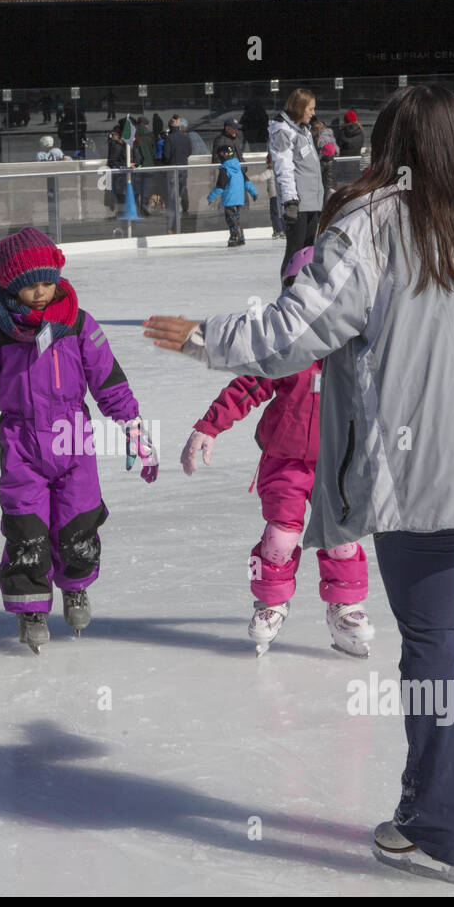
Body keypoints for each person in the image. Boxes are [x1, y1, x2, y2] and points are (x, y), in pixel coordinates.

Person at [144, 83, 454, 884]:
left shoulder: (374, 227)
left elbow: (294, 332)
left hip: (423, 473)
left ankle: (434, 823)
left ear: (390, 147)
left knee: (434, 645)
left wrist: (209, 339)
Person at [0, 227, 158, 654]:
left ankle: (75, 586)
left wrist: (132, 427)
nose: (40, 292)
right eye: (28, 285)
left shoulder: (78, 323)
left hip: (73, 438)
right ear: (9, 285)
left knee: (79, 526)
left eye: (46, 281)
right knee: (26, 530)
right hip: (21, 443)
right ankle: (31, 607)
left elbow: (108, 381)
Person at [182, 246, 374, 657]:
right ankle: (270, 602)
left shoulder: (353, 352)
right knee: (280, 537)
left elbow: (384, 398)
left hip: (338, 464)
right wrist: (208, 426)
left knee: (341, 539)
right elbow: (246, 387)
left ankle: (345, 608)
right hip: (285, 461)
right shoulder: (285, 352)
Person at [269, 89, 325, 277]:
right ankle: (287, 292)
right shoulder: (283, 131)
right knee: (295, 252)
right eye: (310, 108)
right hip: (297, 203)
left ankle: (302, 294)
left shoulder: (304, 130)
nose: (313, 113)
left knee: (308, 252)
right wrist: (290, 201)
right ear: (300, 108)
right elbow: (284, 168)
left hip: (312, 201)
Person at [207, 146, 258, 247]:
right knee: (236, 218)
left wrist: (210, 197)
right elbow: (247, 182)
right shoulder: (238, 168)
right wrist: (254, 193)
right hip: (239, 199)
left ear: (222, 156)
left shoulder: (225, 170)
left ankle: (236, 236)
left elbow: (220, 187)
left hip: (230, 200)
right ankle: (240, 237)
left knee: (231, 219)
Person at [162, 115, 193, 222]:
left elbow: (166, 155)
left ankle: (174, 210)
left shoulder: (169, 138)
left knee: (172, 190)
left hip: (172, 166)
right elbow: (189, 152)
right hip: (183, 166)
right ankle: (185, 209)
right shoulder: (186, 137)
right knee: (183, 187)